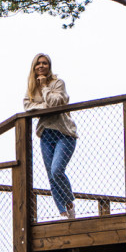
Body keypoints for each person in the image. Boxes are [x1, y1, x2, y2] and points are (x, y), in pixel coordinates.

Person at [23, 53, 79, 219]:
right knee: (51, 175)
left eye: (45, 63)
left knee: (57, 170)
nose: (41, 66)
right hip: (46, 134)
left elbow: (55, 103)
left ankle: (69, 203)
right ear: (34, 67)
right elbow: (27, 106)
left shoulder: (57, 83)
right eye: (38, 64)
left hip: (64, 133)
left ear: (49, 66)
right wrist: (44, 105)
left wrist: (46, 87)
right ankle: (63, 213)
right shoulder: (31, 88)